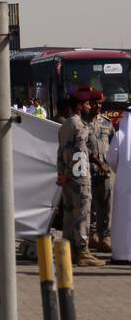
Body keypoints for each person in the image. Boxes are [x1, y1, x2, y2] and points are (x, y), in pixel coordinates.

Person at [57, 89, 104, 267]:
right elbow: (78, 154)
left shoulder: (65, 126)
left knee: (69, 215)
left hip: (67, 179)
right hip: (79, 176)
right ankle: (83, 252)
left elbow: (60, 153)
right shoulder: (80, 126)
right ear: (79, 106)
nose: (88, 106)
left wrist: (61, 174)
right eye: (86, 104)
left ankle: (68, 252)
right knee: (82, 214)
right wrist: (71, 173)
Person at [89, 96, 115, 252]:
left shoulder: (106, 122)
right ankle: (92, 236)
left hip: (105, 171)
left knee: (106, 205)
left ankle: (104, 237)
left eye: (99, 103)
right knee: (89, 205)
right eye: (94, 103)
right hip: (88, 169)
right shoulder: (83, 123)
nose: (98, 106)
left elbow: (113, 144)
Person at [108, 107, 129, 265]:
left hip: (123, 185)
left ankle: (122, 254)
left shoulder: (120, 135)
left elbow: (111, 159)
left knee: (122, 219)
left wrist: (121, 171)